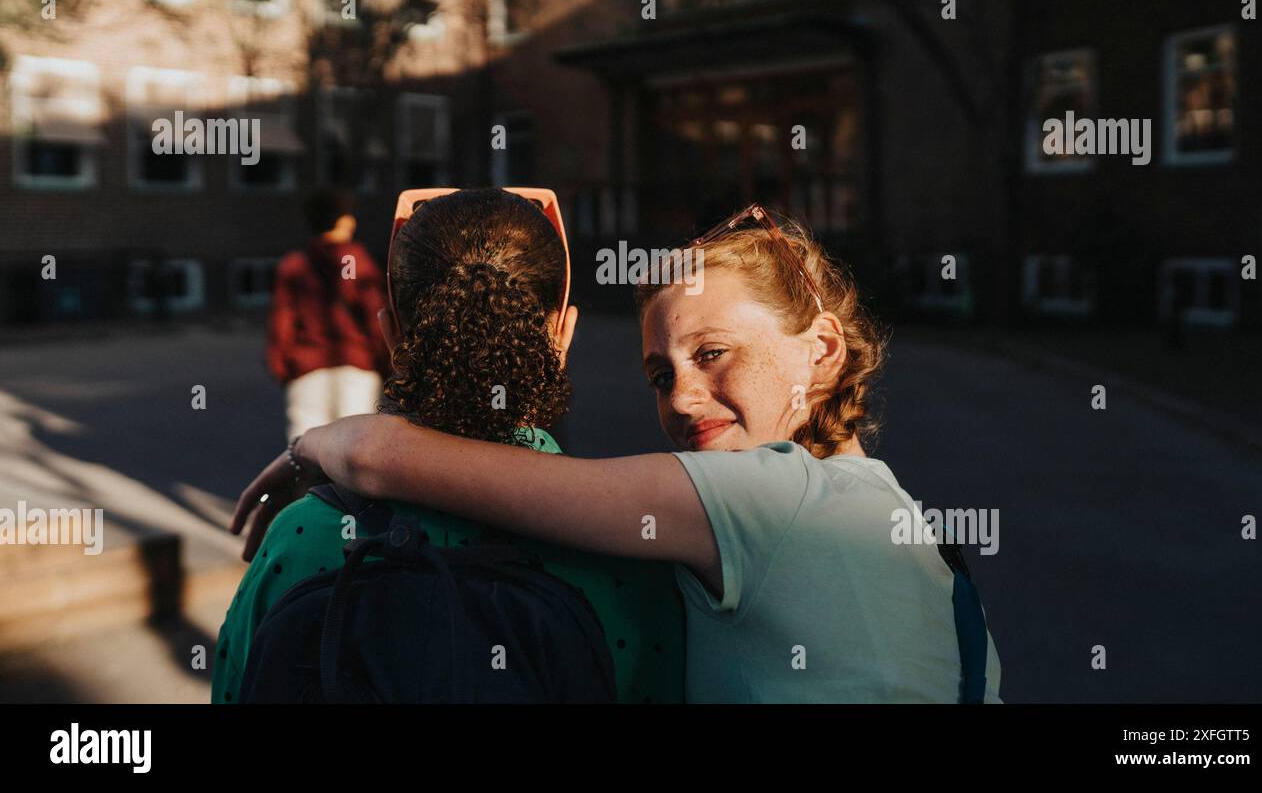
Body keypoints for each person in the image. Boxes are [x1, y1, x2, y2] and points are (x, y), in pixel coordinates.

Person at [235, 203, 1002, 704]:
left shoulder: (767, 498)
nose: (681, 398)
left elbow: (384, 458)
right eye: (660, 375)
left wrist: (324, 444)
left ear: (823, 348)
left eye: (714, 353)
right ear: (560, 334)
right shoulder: (905, 531)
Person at [214, 188, 685, 703]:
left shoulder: (298, 540)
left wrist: (306, 441)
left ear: (393, 335)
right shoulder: (634, 552)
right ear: (563, 334)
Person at [266, 189, 390, 439]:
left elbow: (282, 320)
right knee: (354, 444)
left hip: (307, 366)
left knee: (305, 444)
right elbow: (375, 316)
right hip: (356, 365)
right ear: (343, 220)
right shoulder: (356, 261)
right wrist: (387, 360)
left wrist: (281, 363)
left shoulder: (294, 264)